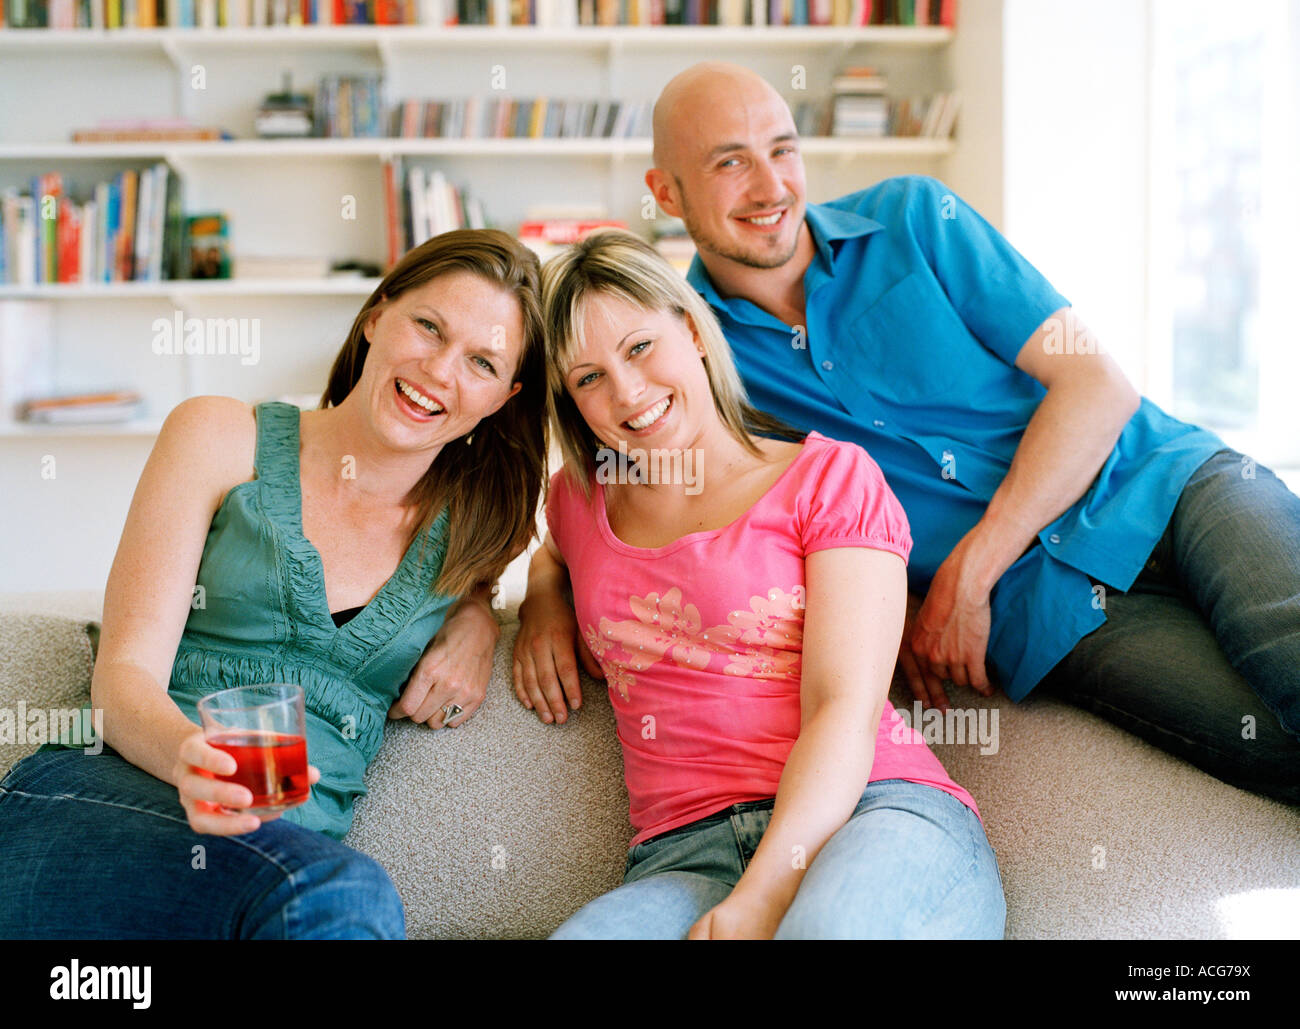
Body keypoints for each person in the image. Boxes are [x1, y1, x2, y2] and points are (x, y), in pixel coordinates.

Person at [516, 61, 1300, 804]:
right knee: (1273, 741)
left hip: (1165, 480)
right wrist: (546, 593)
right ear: (667, 191)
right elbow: (618, 502)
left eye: (782, 149)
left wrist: (968, 569)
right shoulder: (688, 354)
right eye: (730, 163)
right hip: (1050, 608)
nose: (770, 185)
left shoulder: (919, 219)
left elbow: (1097, 383)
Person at [0, 229, 549, 939]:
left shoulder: (478, 529)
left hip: (270, 864)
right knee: (344, 895)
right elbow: (123, 677)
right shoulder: (220, 436)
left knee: (322, 894)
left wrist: (477, 616)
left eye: (481, 360)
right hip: (103, 795)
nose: (441, 370)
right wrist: (191, 760)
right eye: (428, 326)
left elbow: (573, 549)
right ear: (378, 315)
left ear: (506, 396)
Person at [516, 227, 1004, 939]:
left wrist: (766, 893)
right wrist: (540, 600)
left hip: (872, 813)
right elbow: (549, 553)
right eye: (588, 377)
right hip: (683, 855)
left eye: (640, 348)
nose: (627, 392)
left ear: (692, 331)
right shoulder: (580, 499)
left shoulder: (830, 478)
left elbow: (844, 704)